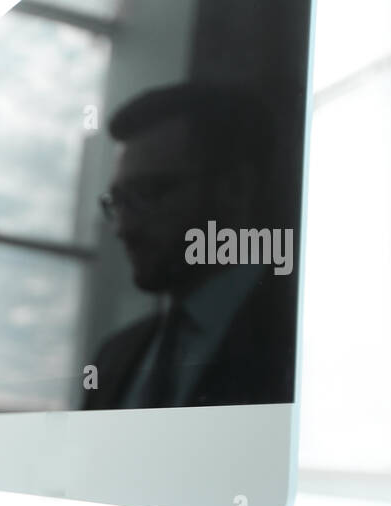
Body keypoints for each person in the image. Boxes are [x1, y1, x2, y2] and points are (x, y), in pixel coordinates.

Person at [85, 83, 298, 411]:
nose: (124, 227)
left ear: (235, 189)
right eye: (120, 201)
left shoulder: (296, 342)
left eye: (150, 193)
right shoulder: (114, 357)